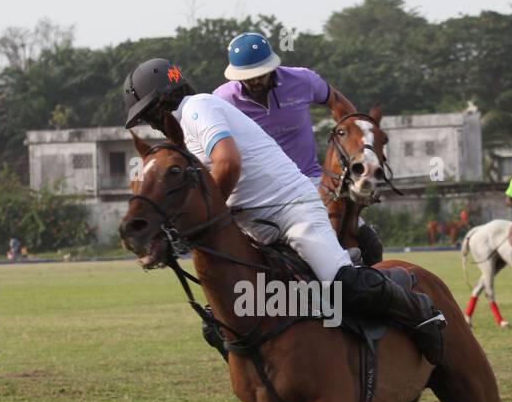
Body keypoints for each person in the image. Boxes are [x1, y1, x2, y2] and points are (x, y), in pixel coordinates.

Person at [122, 58, 445, 362]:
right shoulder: (182, 138)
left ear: (163, 103)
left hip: (292, 211)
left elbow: (228, 163)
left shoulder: (197, 108)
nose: (152, 125)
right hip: (252, 226)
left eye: (148, 116)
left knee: (342, 283)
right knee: (222, 318)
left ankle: (421, 311)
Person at [213, 33, 383, 266]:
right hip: (259, 192)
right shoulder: (222, 99)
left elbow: (341, 107)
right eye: (246, 76)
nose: (253, 81)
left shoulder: (303, 80)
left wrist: (356, 152)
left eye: (259, 74)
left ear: (271, 66)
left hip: (310, 182)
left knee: (369, 244)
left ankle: (373, 297)